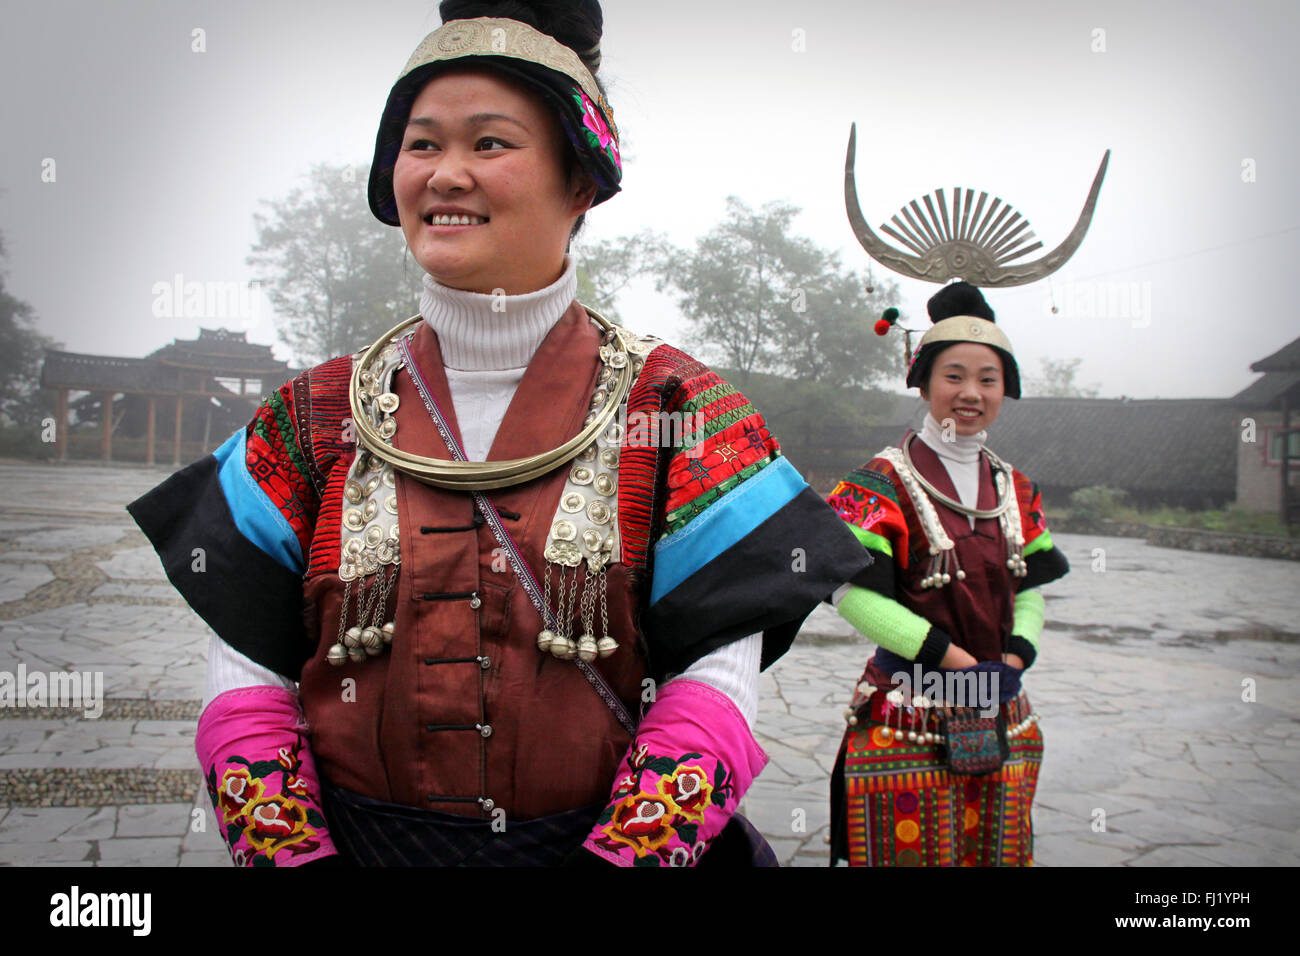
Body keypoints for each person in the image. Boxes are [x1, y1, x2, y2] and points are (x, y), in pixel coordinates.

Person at [127, 0, 870, 867]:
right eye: (422, 143)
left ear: (580, 180)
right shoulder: (314, 414)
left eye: (489, 143)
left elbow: (715, 683)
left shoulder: (677, 409)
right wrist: (293, 859)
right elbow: (246, 676)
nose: (446, 174)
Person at [824, 280, 1070, 866]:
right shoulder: (877, 482)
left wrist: (1012, 660)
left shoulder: (1017, 487)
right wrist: (956, 662)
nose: (971, 392)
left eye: (988, 379)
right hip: (907, 713)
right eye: (954, 375)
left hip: (1003, 712)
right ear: (925, 382)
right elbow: (849, 593)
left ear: (1006, 390)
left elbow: (1028, 590)